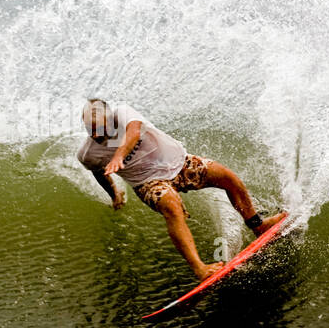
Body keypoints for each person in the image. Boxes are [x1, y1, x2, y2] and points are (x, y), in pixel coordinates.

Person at [76, 98, 287, 279]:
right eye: (89, 129)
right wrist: (114, 194)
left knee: (228, 178)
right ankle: (200, 268)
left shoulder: (123, 113)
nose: (94, 133)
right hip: (148, 182)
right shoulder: (88, 154)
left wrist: (119, 156)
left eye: (98, 127)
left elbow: (134, 131)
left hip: (180, 164)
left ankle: (258, 226)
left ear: (109, 117)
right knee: (171, 206)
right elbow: (97, 172)